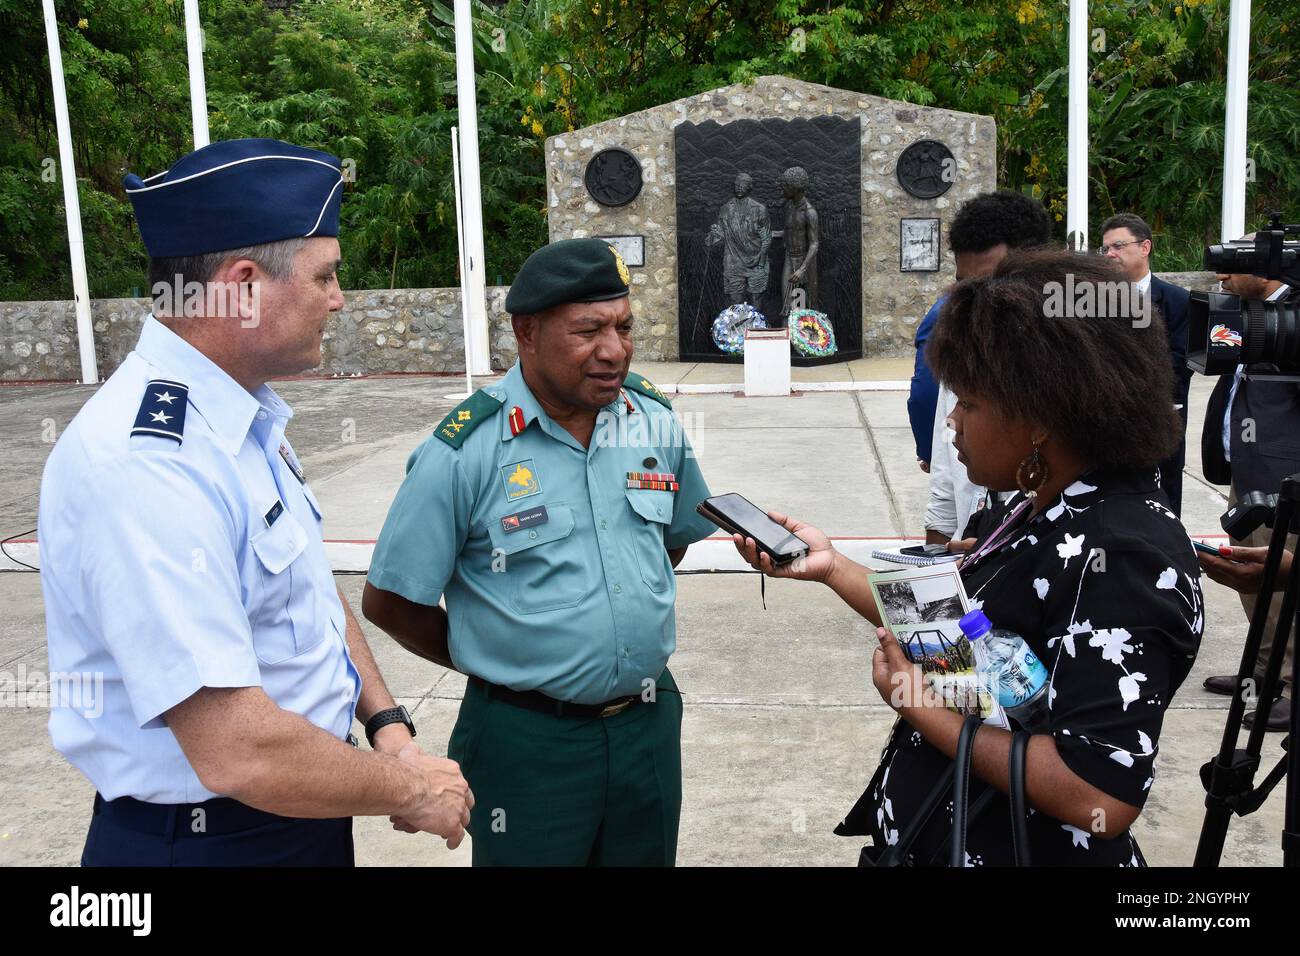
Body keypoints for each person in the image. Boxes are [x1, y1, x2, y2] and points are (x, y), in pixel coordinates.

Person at [38, 138, 472, 866]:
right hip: (209, 843)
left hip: (297, 816)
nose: (338, 298)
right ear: (242, 284)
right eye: (325, 275)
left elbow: (304, 600)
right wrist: (406, 788)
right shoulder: (150, 463)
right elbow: (235, 748)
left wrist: (388, 725)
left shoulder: (242, 418)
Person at [735, 249, 1203, 865]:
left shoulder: (1121, 553)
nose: (952, 421)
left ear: (1041, 416)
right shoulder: (1042, 505)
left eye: (971, 403)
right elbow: (958, 630)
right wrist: (832, 567)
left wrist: (921, 706)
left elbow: (1101, 793)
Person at [362, 238, 717, 866]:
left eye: (624, 327)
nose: (614, 350)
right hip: (527, 742)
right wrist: (503, 657)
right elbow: (391, 600)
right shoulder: (465, 449)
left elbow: (670, 545)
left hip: (648, 725)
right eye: (588, 331)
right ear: (527, 332)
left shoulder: (652, 422)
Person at [1198, 254, 1296, 730]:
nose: (1221, 278)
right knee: (1250, 577)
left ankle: (1292, 682)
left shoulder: (1294, 317)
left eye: (1232, 269)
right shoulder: (1256, 318)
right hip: (1248, 471)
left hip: (1284, 477)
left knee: (1282, 581)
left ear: (1265, 272)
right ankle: (1262, 672)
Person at [923, 191, 1052, 544]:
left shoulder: (1069, 374)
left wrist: (1001, 556)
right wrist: (936, 561)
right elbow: (946, 483)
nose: (955, 419)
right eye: (965, 286)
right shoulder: (962, 348)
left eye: (992, 284)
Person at [1099, 212, 1192, 515]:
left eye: (1118, 246)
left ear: (1145, 247)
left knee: (1164, 503)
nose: (1110, 254)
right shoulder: (1092, 300)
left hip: (1161, 422)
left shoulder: (1178, 301)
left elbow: (1181, 363)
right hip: (1105, 425)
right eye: (1106, 249)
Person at [707, 172, 772, 307]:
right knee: (735, 300)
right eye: (737, 185)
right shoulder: (725, 209)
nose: (739, 188)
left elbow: (766, 238)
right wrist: (714, 234)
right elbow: (718, 238)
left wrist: (760, 260)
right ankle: (736, 326)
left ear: (750, 187)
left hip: (757, 261)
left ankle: (757, 327)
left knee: (756, 299)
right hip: (734, 262)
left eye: (743, 185)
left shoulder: (759, 209)